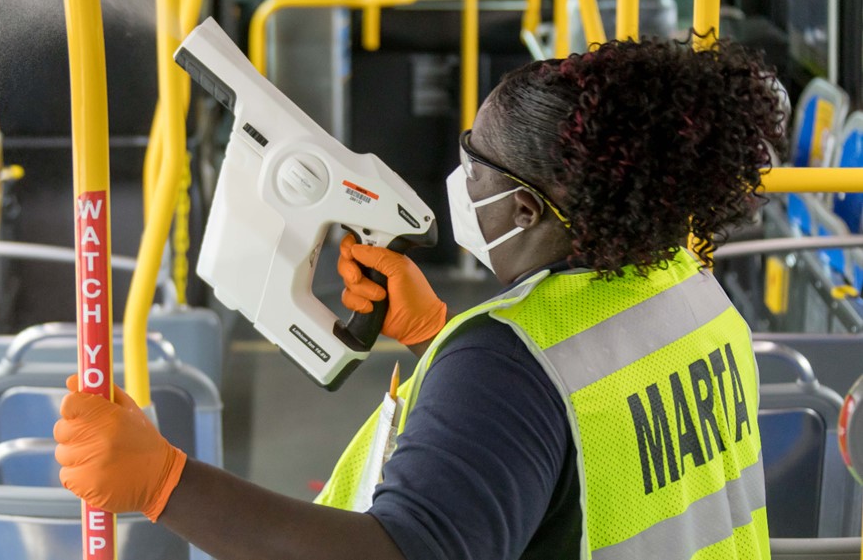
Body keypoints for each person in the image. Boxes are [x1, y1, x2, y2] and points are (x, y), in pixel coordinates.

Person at [53, 37, 787, 560]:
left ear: (526, 210)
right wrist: (438, 338)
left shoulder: (512, 363)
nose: (461, 176)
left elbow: (403, 549)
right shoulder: (689, 287)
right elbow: (579, 451)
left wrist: (165, 484)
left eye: (476, 161)